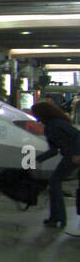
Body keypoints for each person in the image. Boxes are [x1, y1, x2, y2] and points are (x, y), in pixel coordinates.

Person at [29, 100, 80, 233]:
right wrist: (36, 160)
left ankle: (58, 217)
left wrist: (76, 153)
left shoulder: (56, 124)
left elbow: (77, 136)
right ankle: (56, 218)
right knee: (54, 184)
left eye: (35, 113)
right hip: (70, 156)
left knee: (54, 184)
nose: (34, 116)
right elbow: (53, 150)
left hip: (73, 157)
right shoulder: (50, 126)